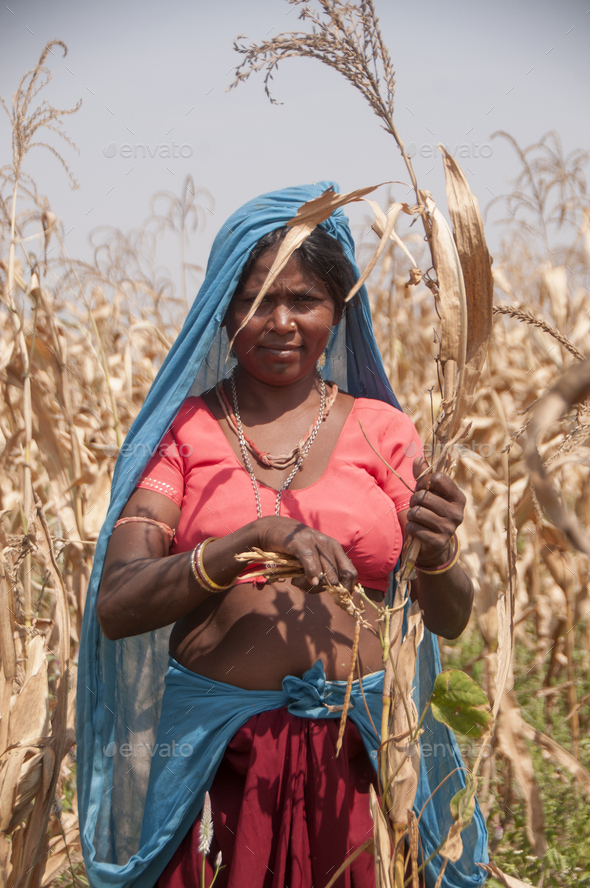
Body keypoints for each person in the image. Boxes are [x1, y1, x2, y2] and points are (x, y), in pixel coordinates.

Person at [77, 183, 488, 888]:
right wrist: (245, 543)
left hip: (357, 757)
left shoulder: (384, 433)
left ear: (340, 310)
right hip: (217, 754)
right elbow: (118, 605)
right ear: (221, 310)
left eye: (305, 301)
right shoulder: (183, 435)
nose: (281, 322)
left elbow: (448, 619)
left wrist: (441, 550)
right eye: (255, 300)